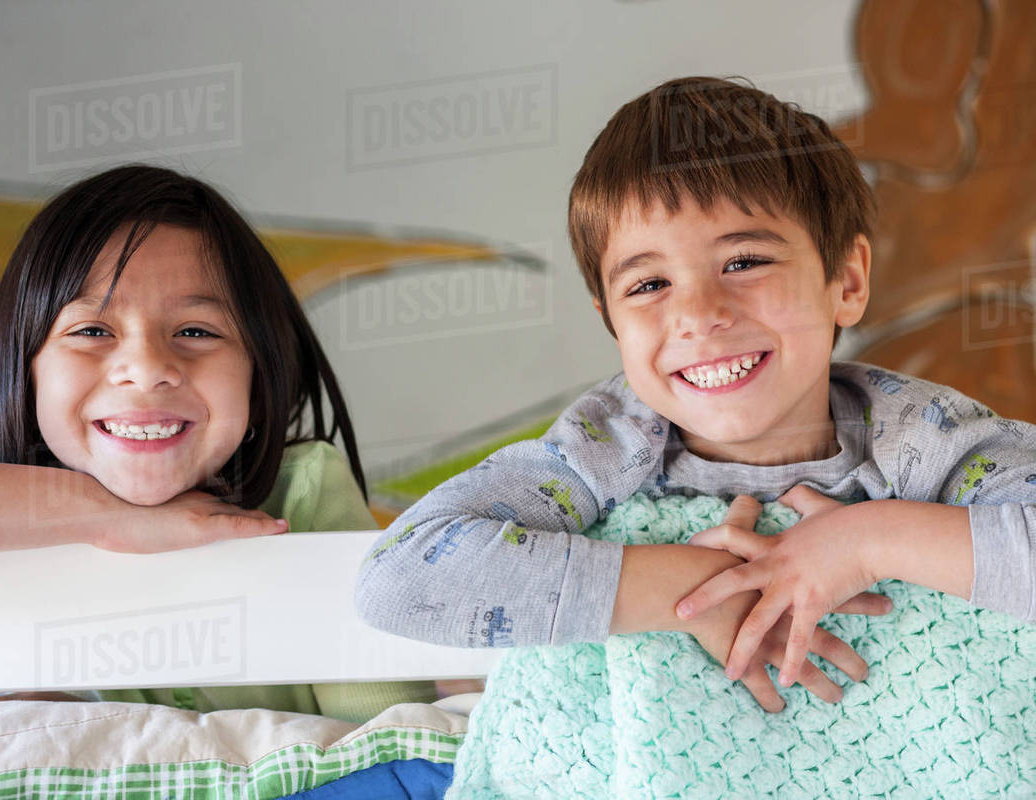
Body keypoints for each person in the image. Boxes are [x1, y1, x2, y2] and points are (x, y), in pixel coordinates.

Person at [354, 76, 1036, 712]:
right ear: (610, 320)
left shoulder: (921, 435)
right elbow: (401, 578)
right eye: (648, 285)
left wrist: (865, 541)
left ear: (847, 281)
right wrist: (695, 590)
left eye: (744, 262)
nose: (699, 313)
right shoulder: (605, 447)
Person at [0, 164, 435, 726]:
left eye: (196, 332)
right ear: (25, 371)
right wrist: (102, 517)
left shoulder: (301, 490)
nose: (147, 370)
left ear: (260, 367)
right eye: (92, 331)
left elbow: (386, 743)